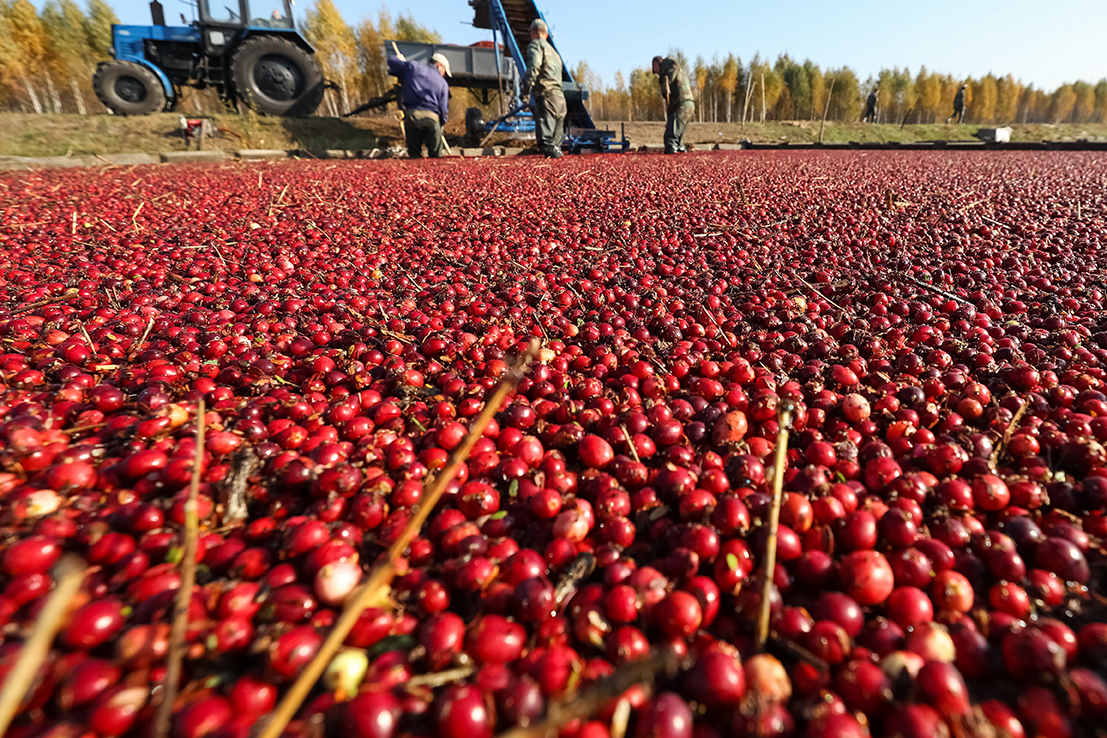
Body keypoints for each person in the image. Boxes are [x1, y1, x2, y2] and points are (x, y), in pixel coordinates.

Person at [387, 52, 451, 159]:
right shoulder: (443, 83)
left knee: (414, 156)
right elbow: (443, 108)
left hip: (412, 116)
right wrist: (441, 124)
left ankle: (415, 173)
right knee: (436, 158)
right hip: (432, 119)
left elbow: (391, 62)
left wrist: (400, 61)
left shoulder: (413, 67)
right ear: (440, 66)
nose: (444, 75)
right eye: (445, 71)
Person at [520, 19, 566, 158]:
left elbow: (534, 68)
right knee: (556, 144)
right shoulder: (554, 52)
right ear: (546, 34)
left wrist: (525, 92)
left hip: (547, 97)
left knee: (547, 144)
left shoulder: (536, 45)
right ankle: (560, 176)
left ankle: (551, 177)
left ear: (534, 33)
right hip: (560, 99)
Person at [652, 55, 694, 154]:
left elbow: (674, 66)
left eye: (655, 69)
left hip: (682, 103)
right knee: (677, 136)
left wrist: (667, 83)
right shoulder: (663, 75)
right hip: (686, 104)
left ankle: (671, 159)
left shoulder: (668, 64)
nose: (656, 73)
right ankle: (680, 150)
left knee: (670, 138)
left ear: (655, 64)